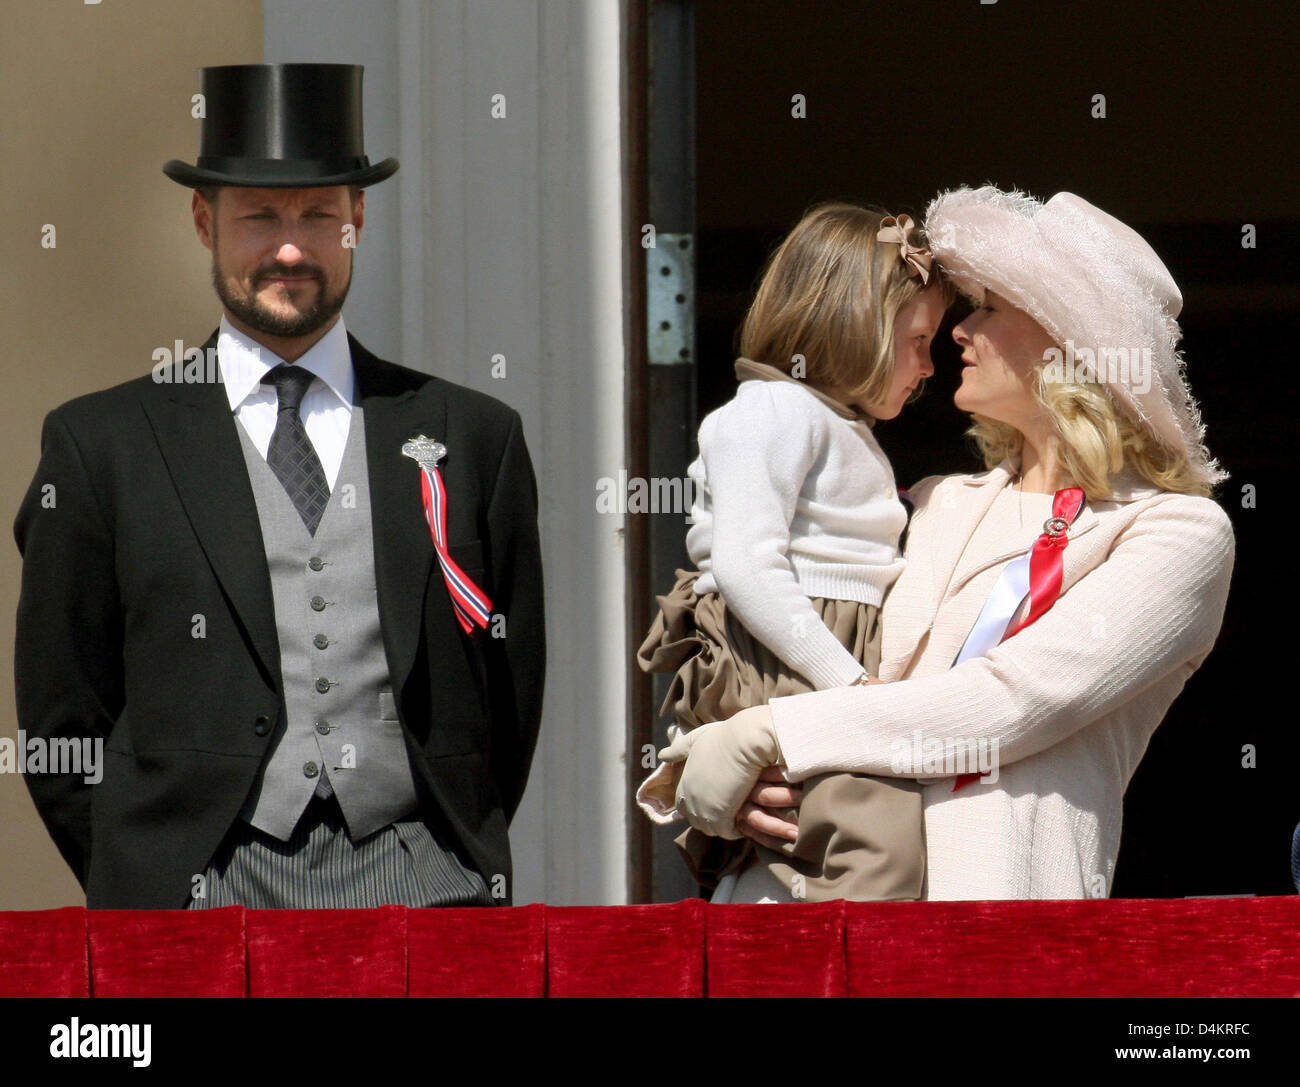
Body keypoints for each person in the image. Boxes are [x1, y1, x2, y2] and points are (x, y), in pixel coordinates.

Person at [13, 63, 545, 909]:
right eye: (259, 216)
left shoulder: (473, 436)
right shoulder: (99, 446)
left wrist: (452, 840)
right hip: (196, 887)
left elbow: (508, 702)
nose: (290, 247)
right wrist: (144, 873)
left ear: (358, 220)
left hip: (423, 880)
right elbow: (60, 715)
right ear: (203, 221)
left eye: (319, 215)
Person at [669, 186, 1234, 901]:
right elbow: (764, 622)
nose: (959, 332)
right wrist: (700, 764)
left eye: (990, 307)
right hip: (800, 890)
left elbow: (1011, 702)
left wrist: (774, 732)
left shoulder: (1176, 532)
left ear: (1070, 344)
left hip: (997, 932)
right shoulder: (929, 501)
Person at [636, 203, 950, 901]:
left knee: (827, 837)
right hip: (788, 651)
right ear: (856, 322)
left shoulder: (840, 424)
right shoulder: (772, 411)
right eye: (919, 339)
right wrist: (850, 687)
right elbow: (748, 566)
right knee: (880, 840)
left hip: (822, 653)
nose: (928, 366)